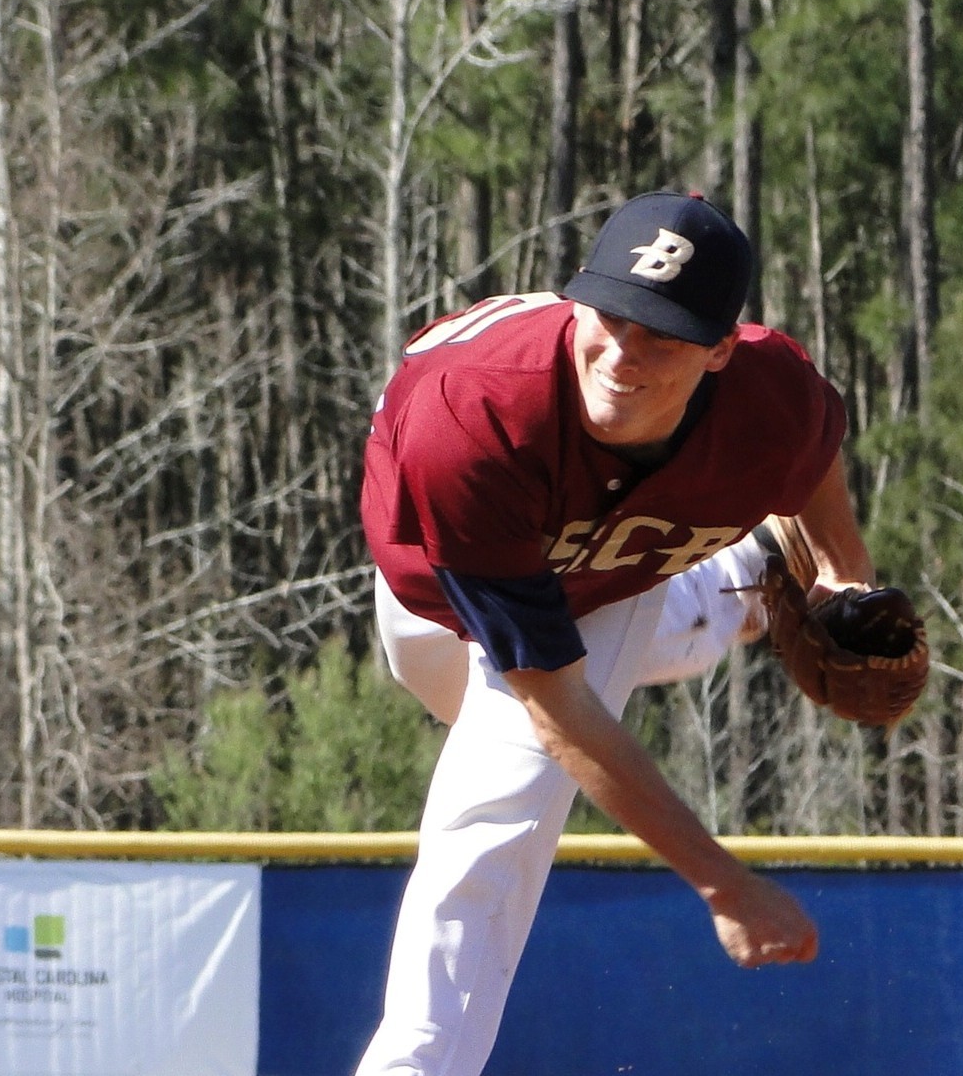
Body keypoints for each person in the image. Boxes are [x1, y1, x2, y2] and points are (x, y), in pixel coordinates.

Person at [353, 190, 880, 1076]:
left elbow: (810, 448)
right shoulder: (475, 418)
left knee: (486, 837)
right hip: (435, 585)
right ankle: (740, 587)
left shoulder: (767, 389)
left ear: (720, 350)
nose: (624, 353)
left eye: (663, 333)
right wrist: (723, 880)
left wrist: (843, 573)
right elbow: (561, 708)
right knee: (544, 705)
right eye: (612, 315)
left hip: (609, 579)